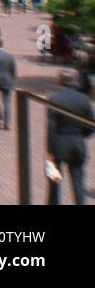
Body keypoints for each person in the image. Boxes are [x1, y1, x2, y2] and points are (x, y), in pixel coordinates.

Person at [46, 69, 94, 206]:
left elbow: (51, 128)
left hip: (58, 145)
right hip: (77, 144)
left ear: (60, 81)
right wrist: (81, 136)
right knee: (78, 182)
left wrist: (49, 149)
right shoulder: (84, 100)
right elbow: (91, 125)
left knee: (53, 182)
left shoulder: (55, 99)